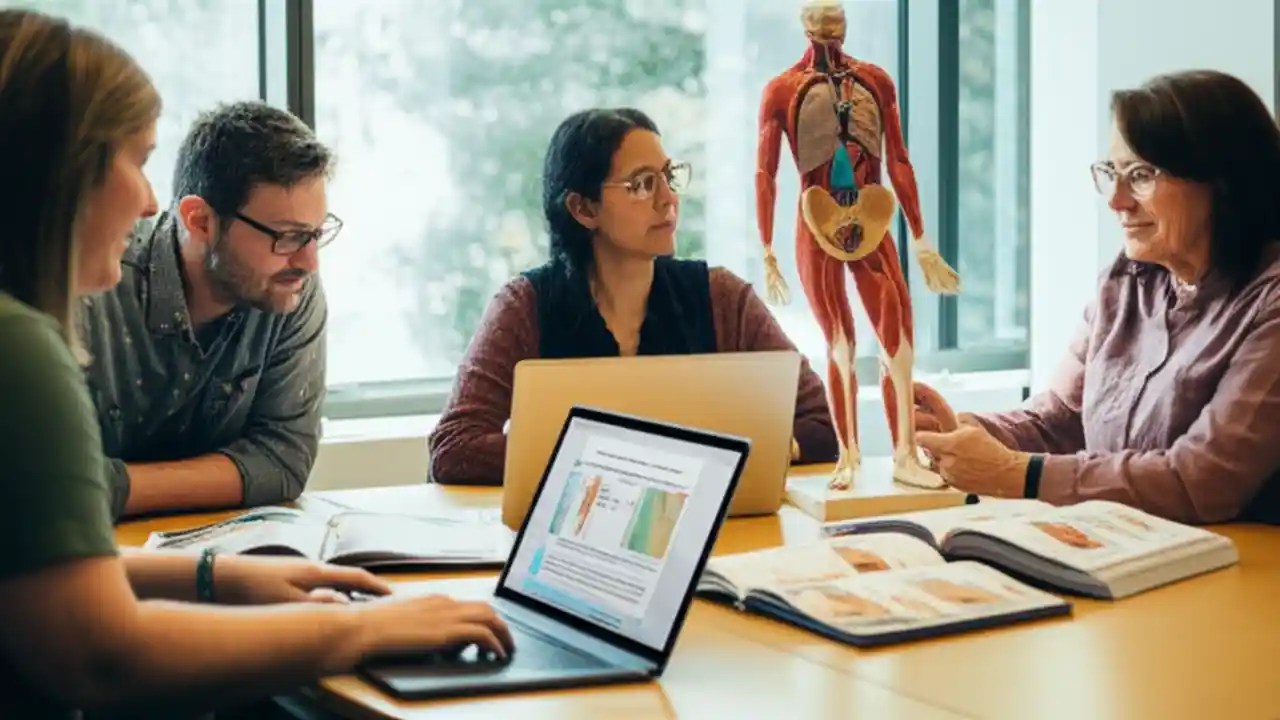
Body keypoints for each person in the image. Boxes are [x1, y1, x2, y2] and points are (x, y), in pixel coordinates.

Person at [0, 10, 510, 718]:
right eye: (138, 159)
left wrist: (218, 581)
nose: (147, 201)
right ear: (60, 171)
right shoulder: (20, 347)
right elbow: (101, 653)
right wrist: (357, 628)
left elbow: (33, 574)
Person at [914, 69, 1280, 525]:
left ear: (1222, 182)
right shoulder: (1125, 281)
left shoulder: (1271, 301)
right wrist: (961, 431)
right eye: (1113, 173)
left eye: (1141, 175)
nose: (1117, 201)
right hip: (1127, 549)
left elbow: (1202, 479)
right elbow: (1057, 421)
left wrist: (1017, 474)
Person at [428, 107, 838, 485]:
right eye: (642, 184)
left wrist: (745, 455)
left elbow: (823, 423)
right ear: (583, 209)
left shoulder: (723, 297)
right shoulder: (524, 306)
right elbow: (453, 449)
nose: (669, 199)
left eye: (669, 177)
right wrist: (629, 461)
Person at [82, 99, 334, 521]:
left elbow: (284, 462)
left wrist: (111, 486)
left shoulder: (288, 289)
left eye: (316, 234)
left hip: (218, 555)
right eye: (287, 237)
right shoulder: (92, 284)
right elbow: (46, 486)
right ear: (199, 221)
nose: (310, 263)